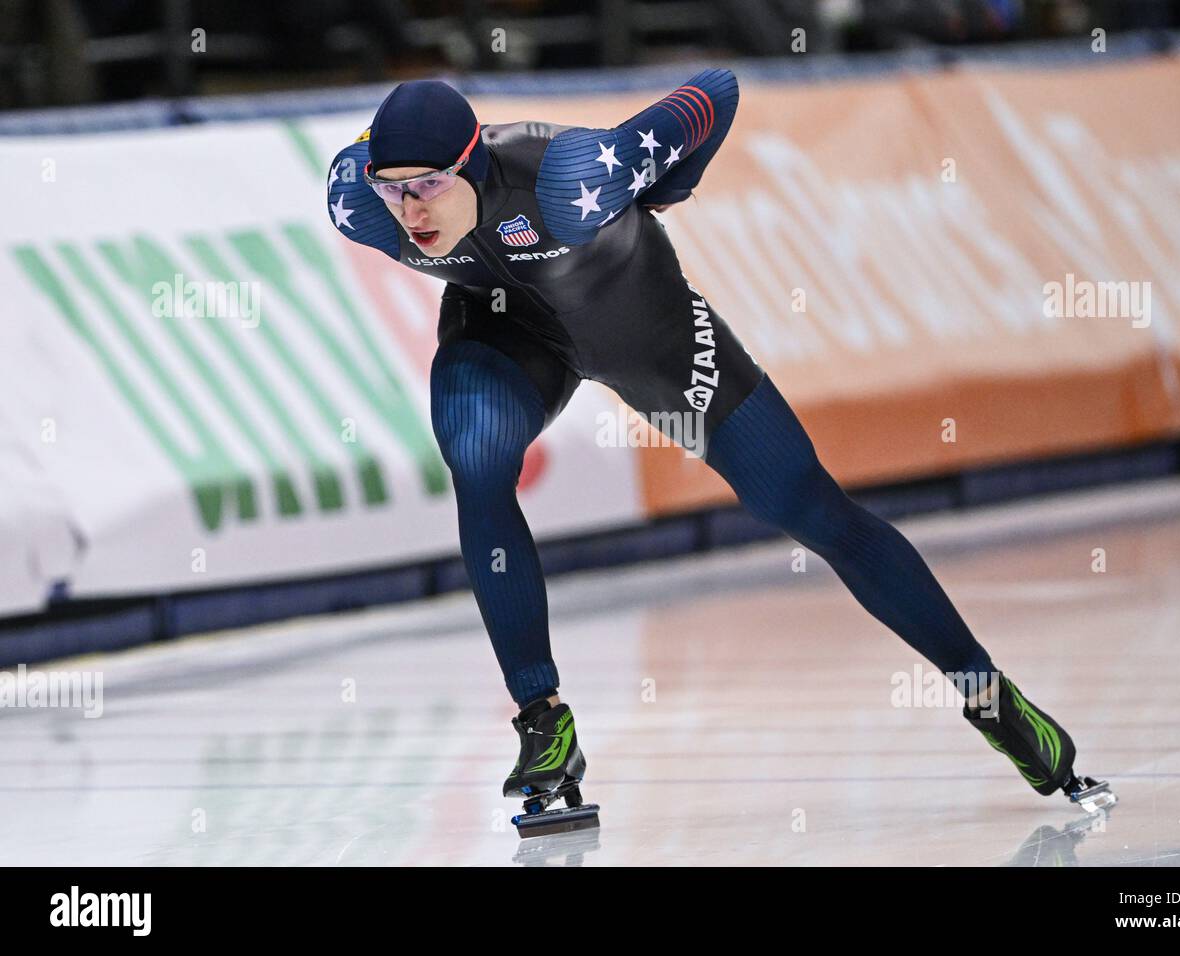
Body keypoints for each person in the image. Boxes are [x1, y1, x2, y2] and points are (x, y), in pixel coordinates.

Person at [325, 69, 1113, 831]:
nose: (409, 211)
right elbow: (388, 191)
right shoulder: (356, 200)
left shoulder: (571, 180)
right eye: (394, 188)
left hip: (651, 335)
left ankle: (987, 694)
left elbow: (718, 91)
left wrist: (669, 184)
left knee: (805, 508)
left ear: (470, 164)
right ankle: (543, 721)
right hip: (509, 329)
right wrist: (397, 193)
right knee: (477, 459)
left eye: (426, 186)